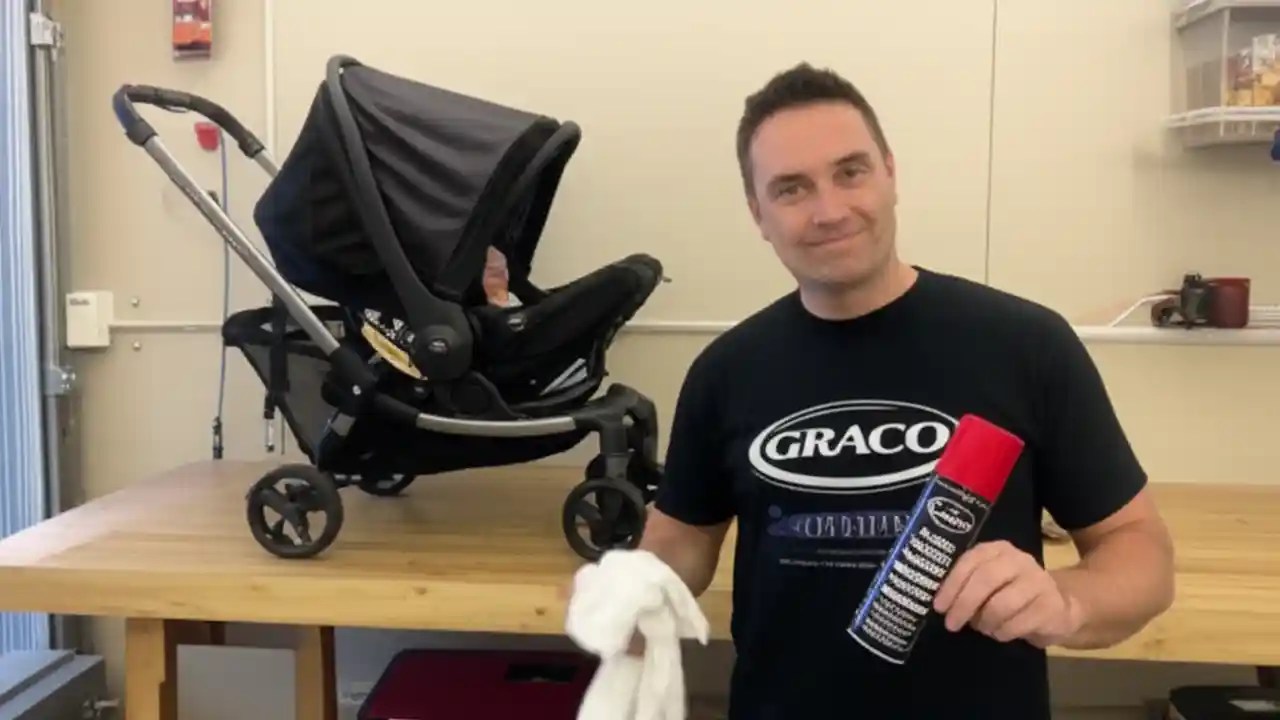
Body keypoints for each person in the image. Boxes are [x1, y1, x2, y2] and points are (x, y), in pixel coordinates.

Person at [637, 63, 1176, 718]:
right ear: (758, 214)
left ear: (891, 172)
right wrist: (628, 597)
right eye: (791, 188)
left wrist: (1067, 601)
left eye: (851, 171)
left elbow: (1139, 552)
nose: (830, 210)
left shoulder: (1024, 345)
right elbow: (682, 543)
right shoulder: (727, 370)